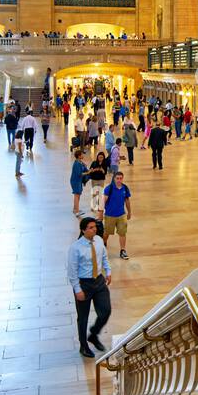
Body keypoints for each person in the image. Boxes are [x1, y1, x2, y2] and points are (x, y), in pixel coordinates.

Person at [68, 217, 112, 358]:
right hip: (84, 284)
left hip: (99, 281)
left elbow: (104, 257)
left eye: (95, 227)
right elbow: (72, 271)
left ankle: (93, 334)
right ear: (83, 230)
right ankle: (83, 346)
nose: (95, 229)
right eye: (91, 227)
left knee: (105, 311)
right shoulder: (75, 248)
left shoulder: (99, 240)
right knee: (83, 317)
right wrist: (77, 289)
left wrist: (108, 271)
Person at [101, 170, 132, 260]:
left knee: (122, 233)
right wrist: (100, 213)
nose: (119, 180)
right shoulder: (109, 188)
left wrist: (129, 212)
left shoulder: (125, 188)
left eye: (120, 178)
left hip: (121, 215)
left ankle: (123, 250)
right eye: (117, 178)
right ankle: (104, 243)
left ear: (123, 179)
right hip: (110, 215)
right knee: (107, 232)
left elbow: (127, 201)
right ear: (114, 179)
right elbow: (103, 201)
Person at [70, 149, 88, 215]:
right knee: (76, 195)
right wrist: (87, 172)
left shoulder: (80, 162)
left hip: (78, 181)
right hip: (75, 181)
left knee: (78, 195)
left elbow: (84, 169)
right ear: (79, 156)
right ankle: (76, 211)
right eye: (82, 154)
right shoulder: (77, 164)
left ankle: (75, 209)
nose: (83, 155)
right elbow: (79, 174)